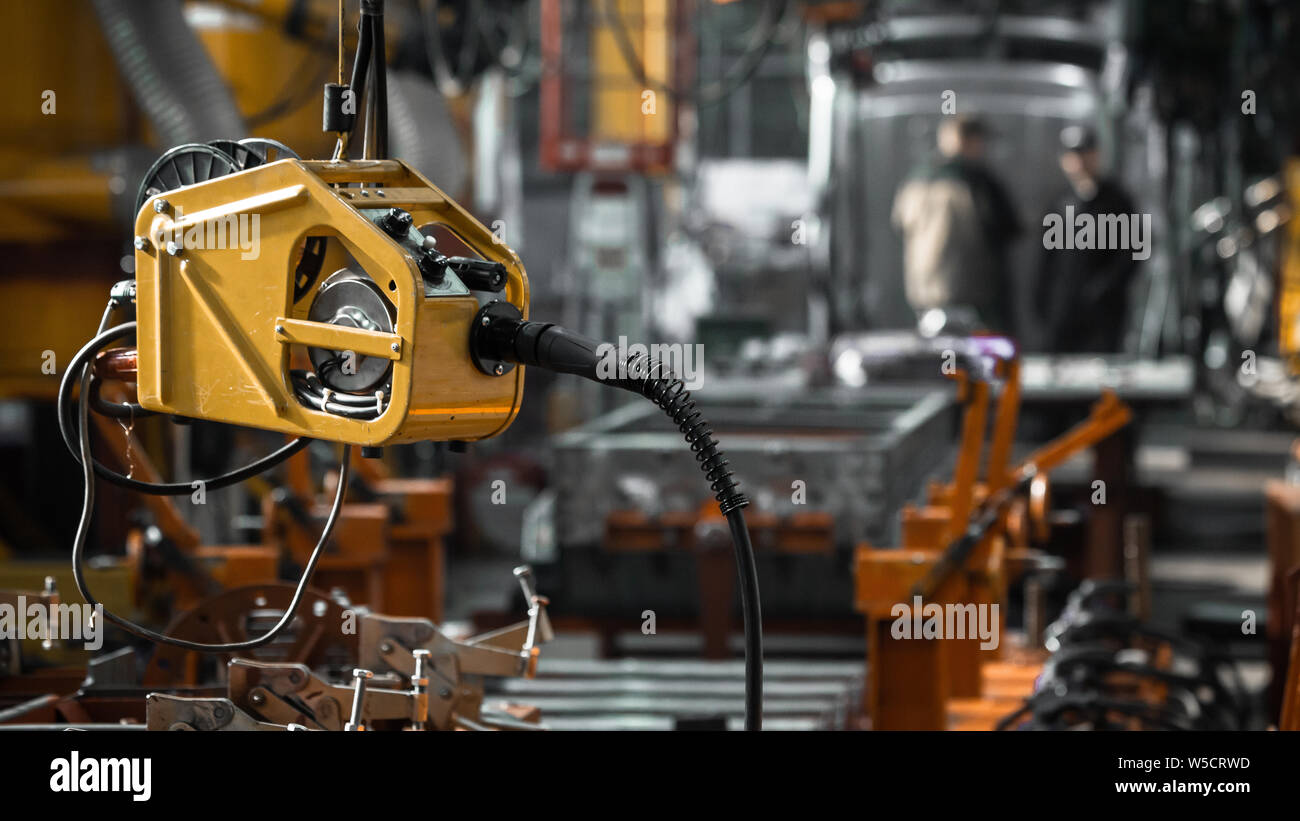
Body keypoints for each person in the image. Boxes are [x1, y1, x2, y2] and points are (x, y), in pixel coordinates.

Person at [892, 114, 1022, 335]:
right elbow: (1008, 228)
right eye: (979, 141)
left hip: (925, 295)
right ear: (967, 140)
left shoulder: (916, 179)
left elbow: (899, 226)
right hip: (975, 297)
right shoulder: (978, 182)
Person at [1034, 125, 1140, 353]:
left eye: (1085, 153)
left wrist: (1105, 287)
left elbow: (1132, 253)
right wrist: (1042, 301)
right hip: (1063, 311)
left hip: (1104, 312)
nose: (1080, 161)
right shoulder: (1059, 203)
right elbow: (1047, 260)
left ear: (1096, 155)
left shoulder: (1117, 201)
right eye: (1073, 155)